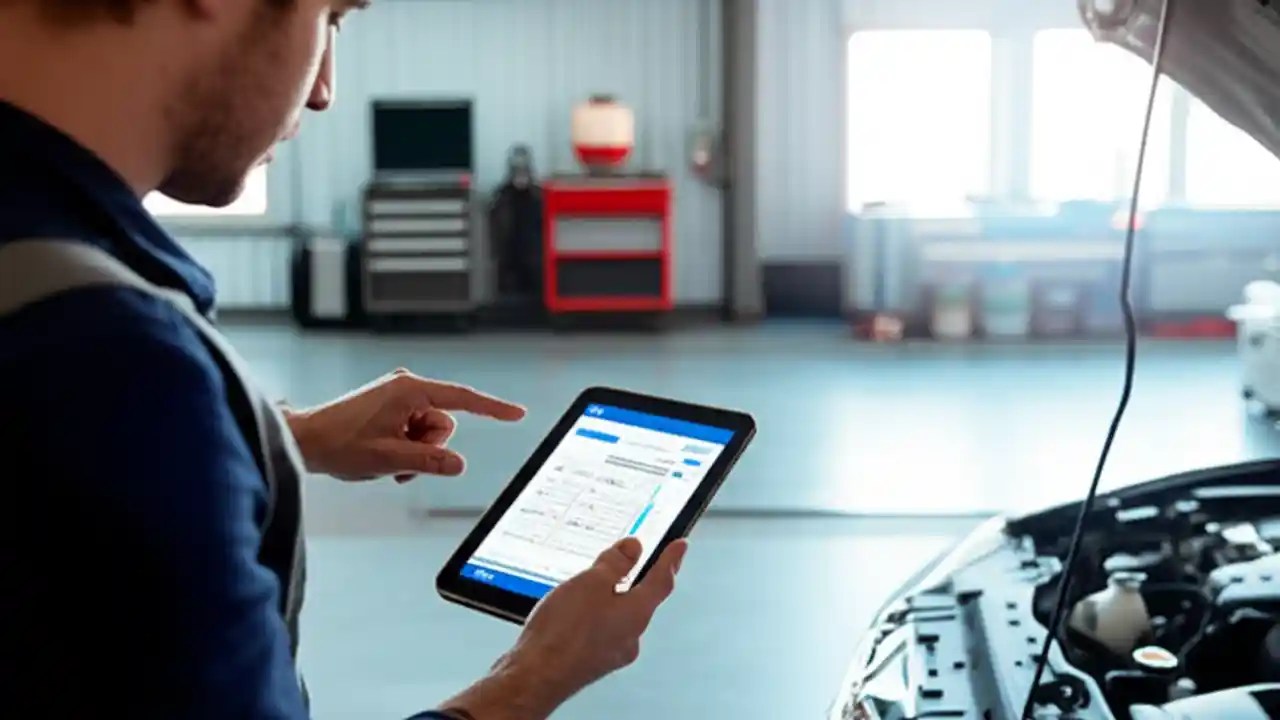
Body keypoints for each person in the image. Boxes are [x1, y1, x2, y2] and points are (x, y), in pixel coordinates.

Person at [0, 1, 688, 718]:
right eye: (328, 16)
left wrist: (282, 441)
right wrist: (534, 676)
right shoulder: (115, 363)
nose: (323, 87)